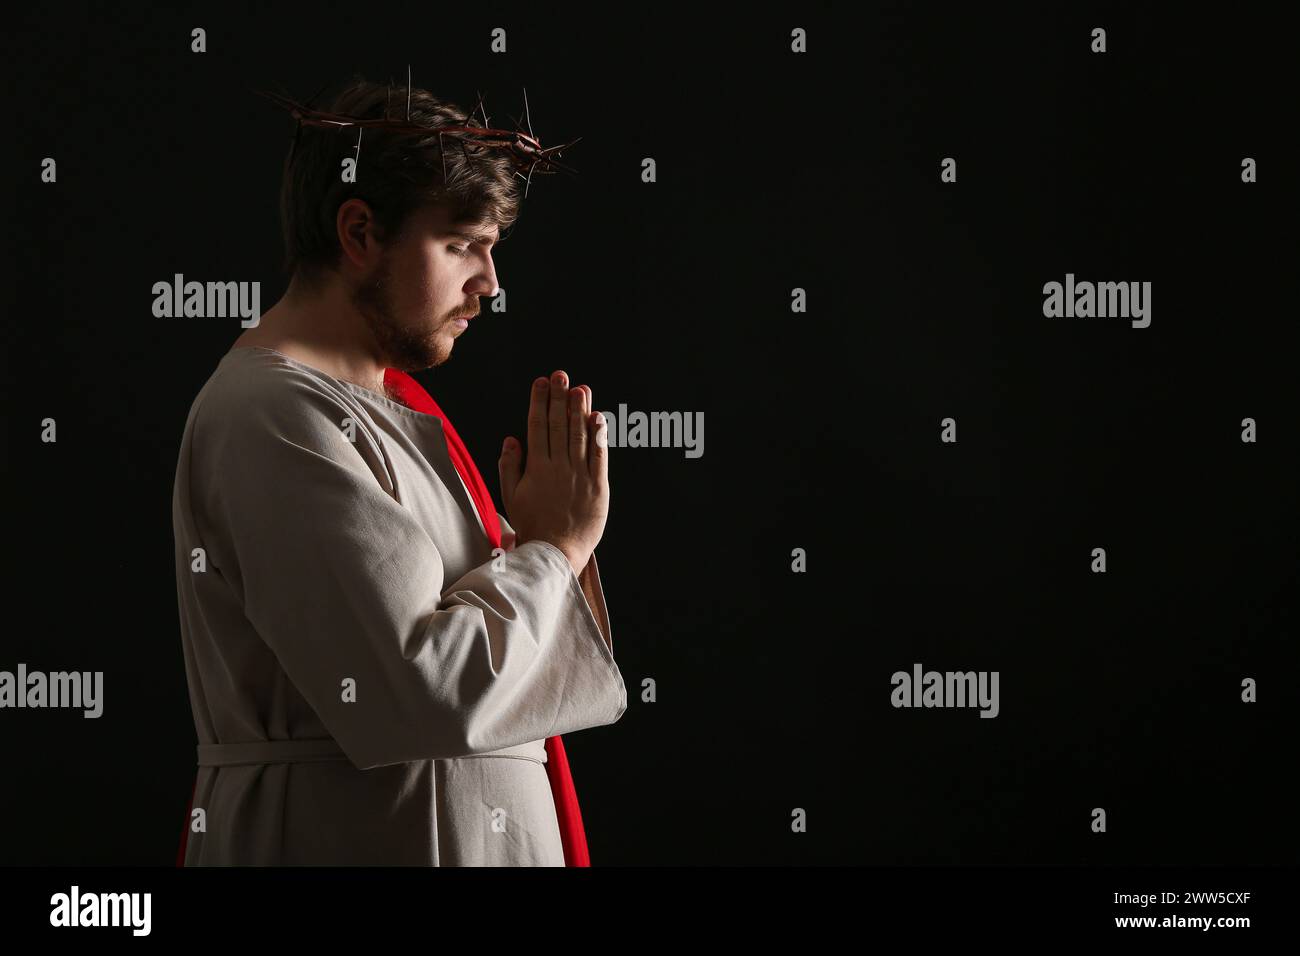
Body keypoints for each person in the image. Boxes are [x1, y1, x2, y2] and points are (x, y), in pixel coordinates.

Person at [171, 77, 626, 865]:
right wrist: (552, 551)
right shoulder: (269, 415)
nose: (490, 284)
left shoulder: (389, 409)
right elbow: (417, 694)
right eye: (461, 246)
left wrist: (537, 551)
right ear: (359, 232)